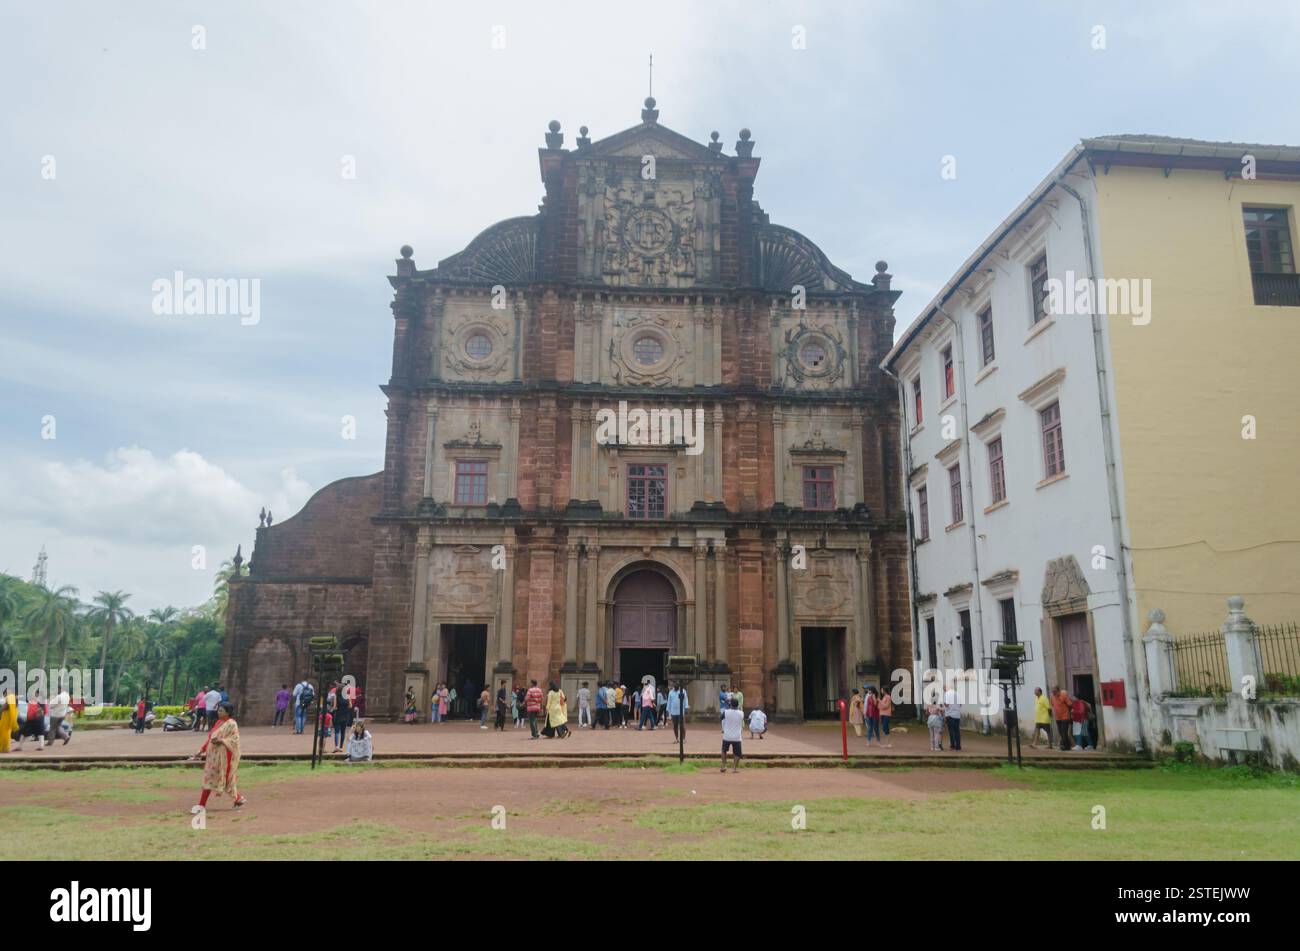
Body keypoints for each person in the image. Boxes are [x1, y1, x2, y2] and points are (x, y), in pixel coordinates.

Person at [191, 701, 246, 810]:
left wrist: (221, 740)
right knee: (218, 778)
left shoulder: (231, 723)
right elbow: (211, 738)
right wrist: (201, 750)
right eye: (218, 710)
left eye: (221, 710)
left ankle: (201, 805)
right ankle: (238, 798)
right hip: (213, 757)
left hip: (224, 757)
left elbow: (235, 740)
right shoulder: (218, 723)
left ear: (228, 712)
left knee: (214, 777)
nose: (218, 712)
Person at [720, 697, 744, 773]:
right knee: (737, 753)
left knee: (724, 751)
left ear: (730, 704)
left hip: (727, 735)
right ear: (737, 705)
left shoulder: (726, 712)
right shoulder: (741, 713)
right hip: (737, 736)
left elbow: (721, 718)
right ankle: (734, 768)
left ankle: (724, 766)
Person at [1052, 686, 1072, 752]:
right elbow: (1053, 705)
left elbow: (1070, 704)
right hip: (1058, 717)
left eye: (1054, 691)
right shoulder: (1052, 697)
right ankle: (1068, 746)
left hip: (1065, 716)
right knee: (1061, 732)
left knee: (1064, 731)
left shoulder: (1063, 695)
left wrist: (1069, 713)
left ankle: (1063, 745)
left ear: (1058, 690)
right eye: (1052, 691)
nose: (1053, 693)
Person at [943, 683, 962, 751]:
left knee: (951, 731)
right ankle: (958, 746)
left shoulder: (947, 694)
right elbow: (960, 704)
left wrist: (944, 704)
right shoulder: (958, 694)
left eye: (944, 689)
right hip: (957, 715)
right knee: (957, 731)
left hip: (950, 715)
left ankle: (953, 745)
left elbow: (947, 704)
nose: (944, 690)